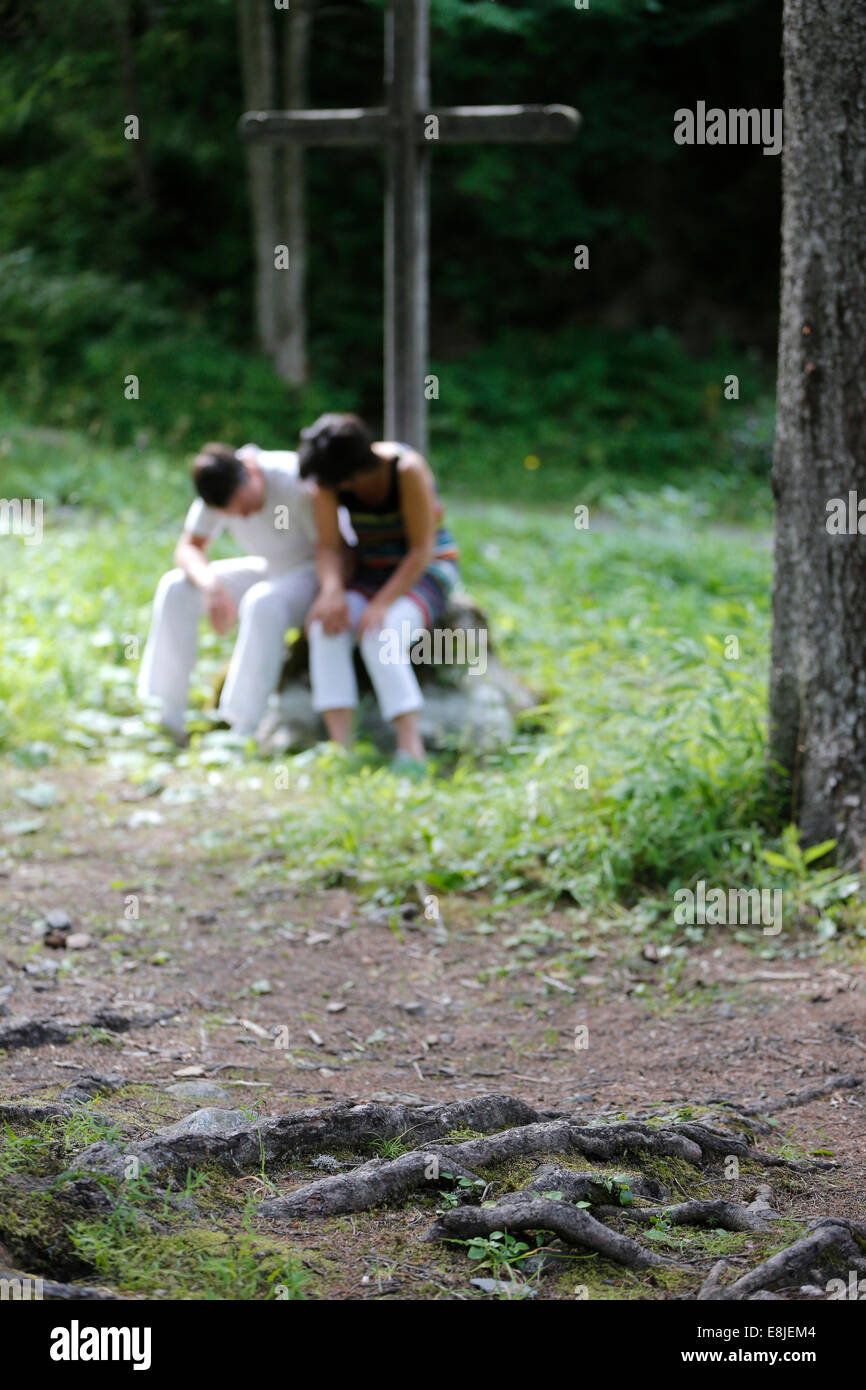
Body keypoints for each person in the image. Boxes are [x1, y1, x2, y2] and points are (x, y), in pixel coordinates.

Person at [298, 413, 460, 768]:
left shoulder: (407, 471)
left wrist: (382, 604)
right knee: (324, 628)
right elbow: (329, 547)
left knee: (381, 635)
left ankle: (410, 749)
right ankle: (341, 748)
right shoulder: (328, 479)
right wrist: (331, 591)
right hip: (370, 569)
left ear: (350, 471)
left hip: (424, 571)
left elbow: (422, 550)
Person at [137, 441, 320, 743]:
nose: (242, 516)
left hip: (310, 575)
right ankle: (168, 714)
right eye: (231, 512)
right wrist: (212, 587)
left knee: (263, 602)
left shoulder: (292, 477)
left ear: (250, 470)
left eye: (244, 505)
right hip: (269, 568)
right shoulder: (217, 488)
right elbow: (188, 548)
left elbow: (331, 547)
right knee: (176, 587)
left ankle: (242, 726)